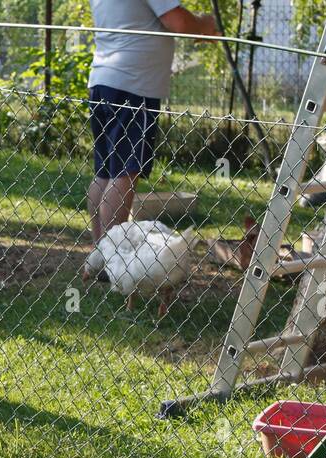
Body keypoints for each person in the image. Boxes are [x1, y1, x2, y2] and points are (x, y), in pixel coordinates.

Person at [84, 0, 219, 279]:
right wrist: (206, 25)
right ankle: (112, 260)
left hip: (103, 80)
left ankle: (100, 252)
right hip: (134, 87)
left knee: (105, 172)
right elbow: (178, 22)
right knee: (125, 173)